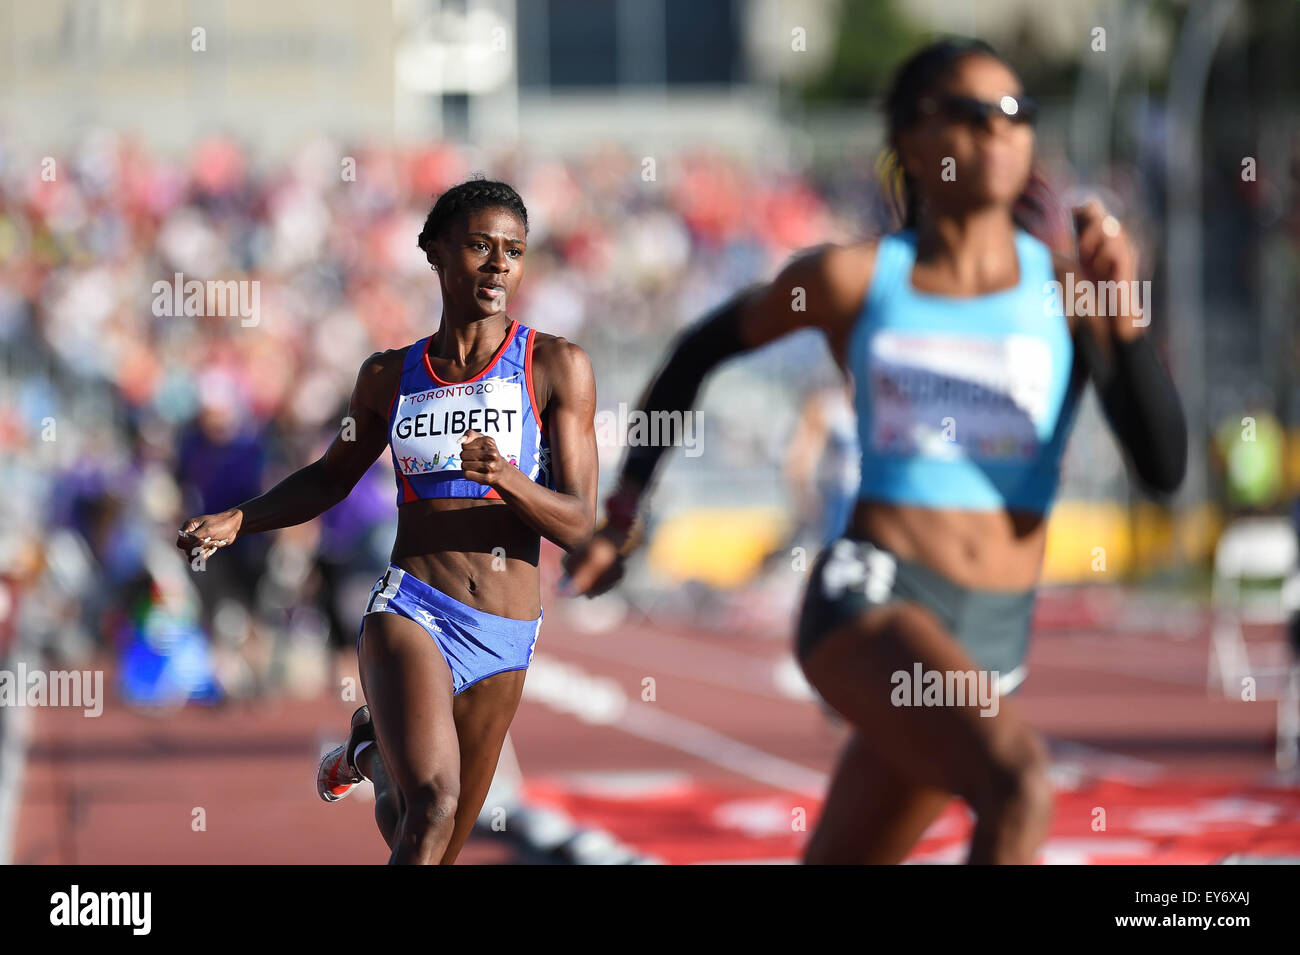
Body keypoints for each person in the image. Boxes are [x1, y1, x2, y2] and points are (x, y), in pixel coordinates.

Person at [562, 38, 1186, 864]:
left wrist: (1127, 326)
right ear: (913, 140)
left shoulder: (1070, 294)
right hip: (873, 594)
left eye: (1017, 114)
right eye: (972, 114)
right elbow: (697, 351)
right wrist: (623, 509)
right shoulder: (854, 280)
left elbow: (1162, 470)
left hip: (991, 637)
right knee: (1020, 783)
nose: (999, 132)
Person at [177, 178, 598, 864]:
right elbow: (329, 476)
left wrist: (510, 479)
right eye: (480, 246)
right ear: (436, 252)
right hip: (413, 607)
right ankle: (378, 750)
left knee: (426, 828)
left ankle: (368, 753)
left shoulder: (555, 365)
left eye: (514, 251)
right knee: (432, 807)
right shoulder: (387, 376)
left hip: (506, 631)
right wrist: (238, 520)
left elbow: (580, 523)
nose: (499, 265)